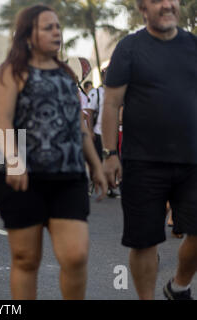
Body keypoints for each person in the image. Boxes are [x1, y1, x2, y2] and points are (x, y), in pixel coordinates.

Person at [0, 4, 107, 300]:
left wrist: (96, 164)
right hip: (21, 178)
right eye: (48, 27)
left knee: (76, 255)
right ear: (29, 35)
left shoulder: (67, 73)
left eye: (58, 27)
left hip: (67, 176)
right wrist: (15, 162)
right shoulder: (12, 72)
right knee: (27, 259)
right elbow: (1, 120)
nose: (56, 32)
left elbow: (77, 125)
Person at [102, 0, 197, 300]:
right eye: (158, 0)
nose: (167, 4)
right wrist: (109, 154)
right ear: (143, 9)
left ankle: (179, 285)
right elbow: (111, 104)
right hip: (142, 161)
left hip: (192, 159)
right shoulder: (129, 48)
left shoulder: (193, 45)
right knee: (144, 241)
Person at [85, 69, 121, 198]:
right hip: (98, 133)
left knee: (111, 159)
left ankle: (110, 187)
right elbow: (89, 112)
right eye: (106, 75)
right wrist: (89, 131)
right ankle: (91, 185)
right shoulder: (96, 93)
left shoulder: (116, 92)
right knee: (96, 161)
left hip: (112, 134)